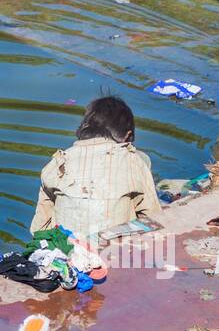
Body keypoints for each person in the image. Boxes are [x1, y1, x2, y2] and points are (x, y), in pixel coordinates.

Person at [31, 95, 163, 242]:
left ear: (83, 130)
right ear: (128, 135)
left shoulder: (57, 164)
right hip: (114, 254)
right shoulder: (135, 163)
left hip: (65, 251)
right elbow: (154, 219)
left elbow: (39, 229)